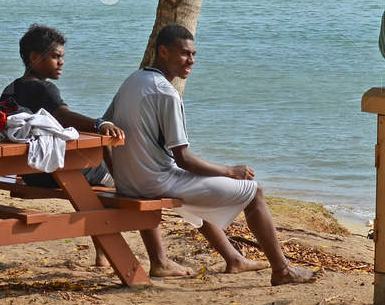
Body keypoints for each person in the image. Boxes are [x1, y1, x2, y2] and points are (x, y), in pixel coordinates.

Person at [101, 24, 315, 284]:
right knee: (253, 191)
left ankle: (234, 259)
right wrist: (230, 171)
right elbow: (184, 158)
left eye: (193, 55)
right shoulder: (166, 93)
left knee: (200, 187)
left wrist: (121, 177)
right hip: (155, 182)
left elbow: (105, 128)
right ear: (164, 52)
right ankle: (282, 270)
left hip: (131, 182)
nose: (190, 60)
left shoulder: (134, 80)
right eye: (184, 54)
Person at [2, 24, 124, 138]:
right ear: (34, 57)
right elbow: (63, 116)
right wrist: (99, 124)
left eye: (62, 57)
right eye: (55, 56)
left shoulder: (11, 87)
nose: (61, 62)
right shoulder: (44, 88)